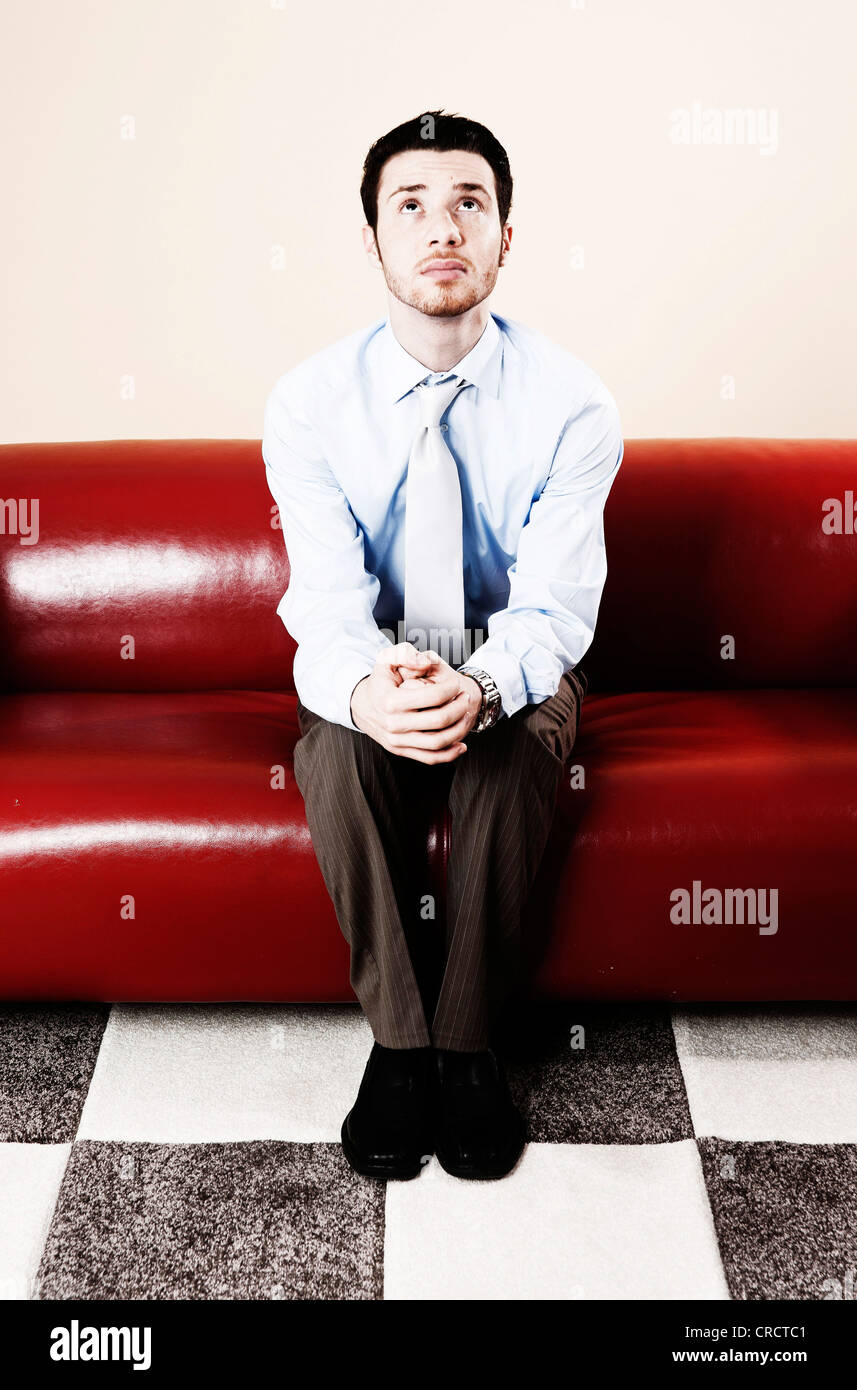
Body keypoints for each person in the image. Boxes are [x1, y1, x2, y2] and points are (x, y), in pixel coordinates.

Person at [262, 109, 623, 1182]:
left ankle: (464, 1046)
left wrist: (476, 683)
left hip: (510, 652)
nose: (441, 227)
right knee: (330, 749)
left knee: (515, 747)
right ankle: (399, 1043)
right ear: (371, 241)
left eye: (469, 201)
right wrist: (372, 687)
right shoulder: (308, 402)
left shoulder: (573, 403)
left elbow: (553, 607)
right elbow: (323, 604)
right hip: (379, 653)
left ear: (505, 235)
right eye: (408, 205)